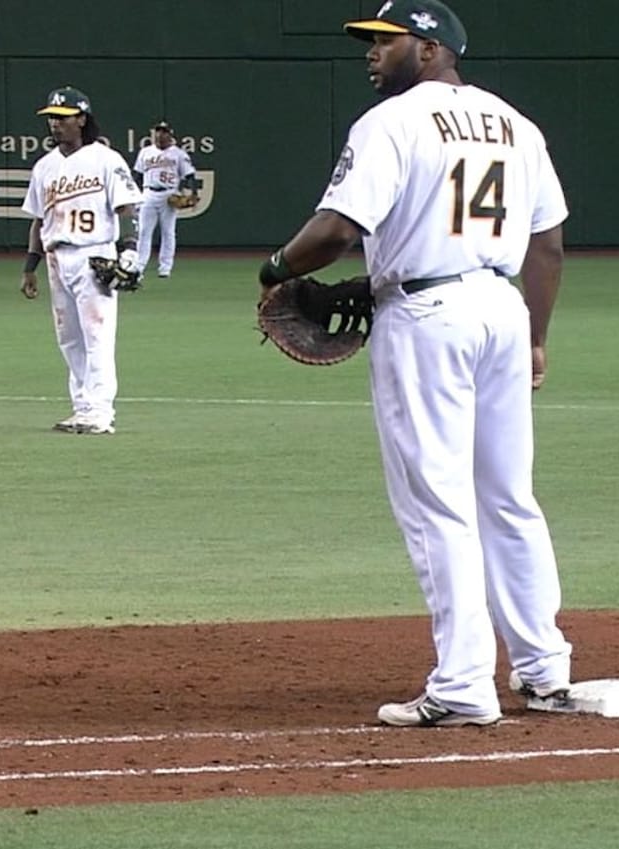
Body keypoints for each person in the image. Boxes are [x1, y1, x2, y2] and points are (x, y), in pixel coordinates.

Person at [255, 0, 573, 727]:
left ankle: (463, 685)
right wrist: (537, 336)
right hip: (500, 308)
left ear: (430, 49)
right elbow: (546, 243)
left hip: (428, 317)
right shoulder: (516, 124)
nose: (371, 53)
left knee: (438, 501)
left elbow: (336, 231)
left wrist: (276, 268)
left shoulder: (391, 123)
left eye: (385, 41)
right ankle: (545, 668)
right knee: (508, 495)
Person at [19, 85, 144, 435]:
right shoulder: (44, 166)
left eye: (63, 118)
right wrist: (30, 267)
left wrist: (129, 249)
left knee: (97, 336)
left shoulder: (106, 159)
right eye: (52, 119)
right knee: (70, 338)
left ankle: (101, 412)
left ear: (82, 119)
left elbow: (126, 207)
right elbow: (39, 220)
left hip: (94, 255)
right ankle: (82, 407)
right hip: (56, 258)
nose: (55, 125)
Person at [133, 120, 198, 278]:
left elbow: (190, 175)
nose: (160, 134)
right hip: (148, 193)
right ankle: (139, 267)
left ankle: (165, 268)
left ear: (170, 134)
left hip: (169, 194)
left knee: (168, 232)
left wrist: (193, 193)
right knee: (143, 232)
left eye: (163, 132)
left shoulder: (179, 154)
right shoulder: (145, 152)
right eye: (158, 131)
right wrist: (133, 193)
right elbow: (137, 174)